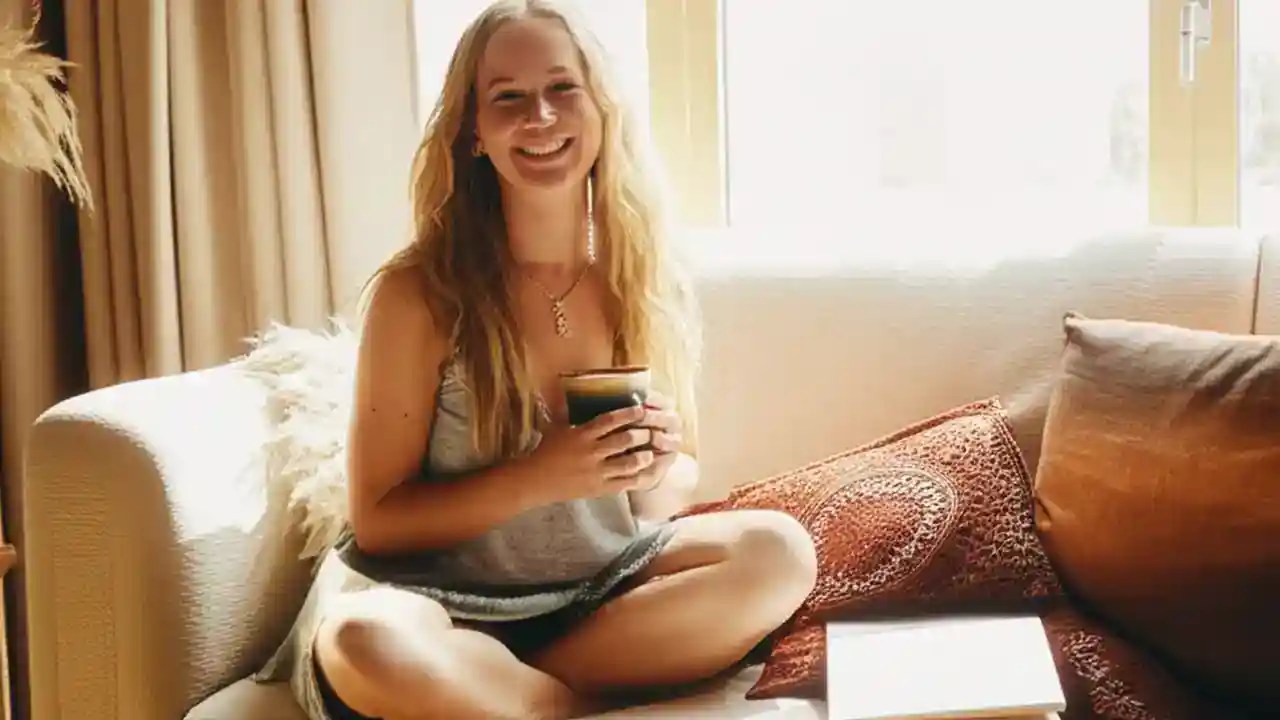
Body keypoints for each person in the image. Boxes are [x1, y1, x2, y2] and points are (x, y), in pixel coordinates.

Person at [254, 2, 817, 718]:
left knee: (779, 553)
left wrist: (655, 463)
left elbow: (668, 488)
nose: (541, 117)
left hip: (593, 590)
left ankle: (515, 691)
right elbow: (381, 523)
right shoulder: (419, 293)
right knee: (367, 641)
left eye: (562, 90)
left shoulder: (642, 274)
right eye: (508, 99)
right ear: (474, 133)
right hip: (434, 602)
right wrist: (543, 476)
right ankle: (540, 695)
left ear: (601, 109)